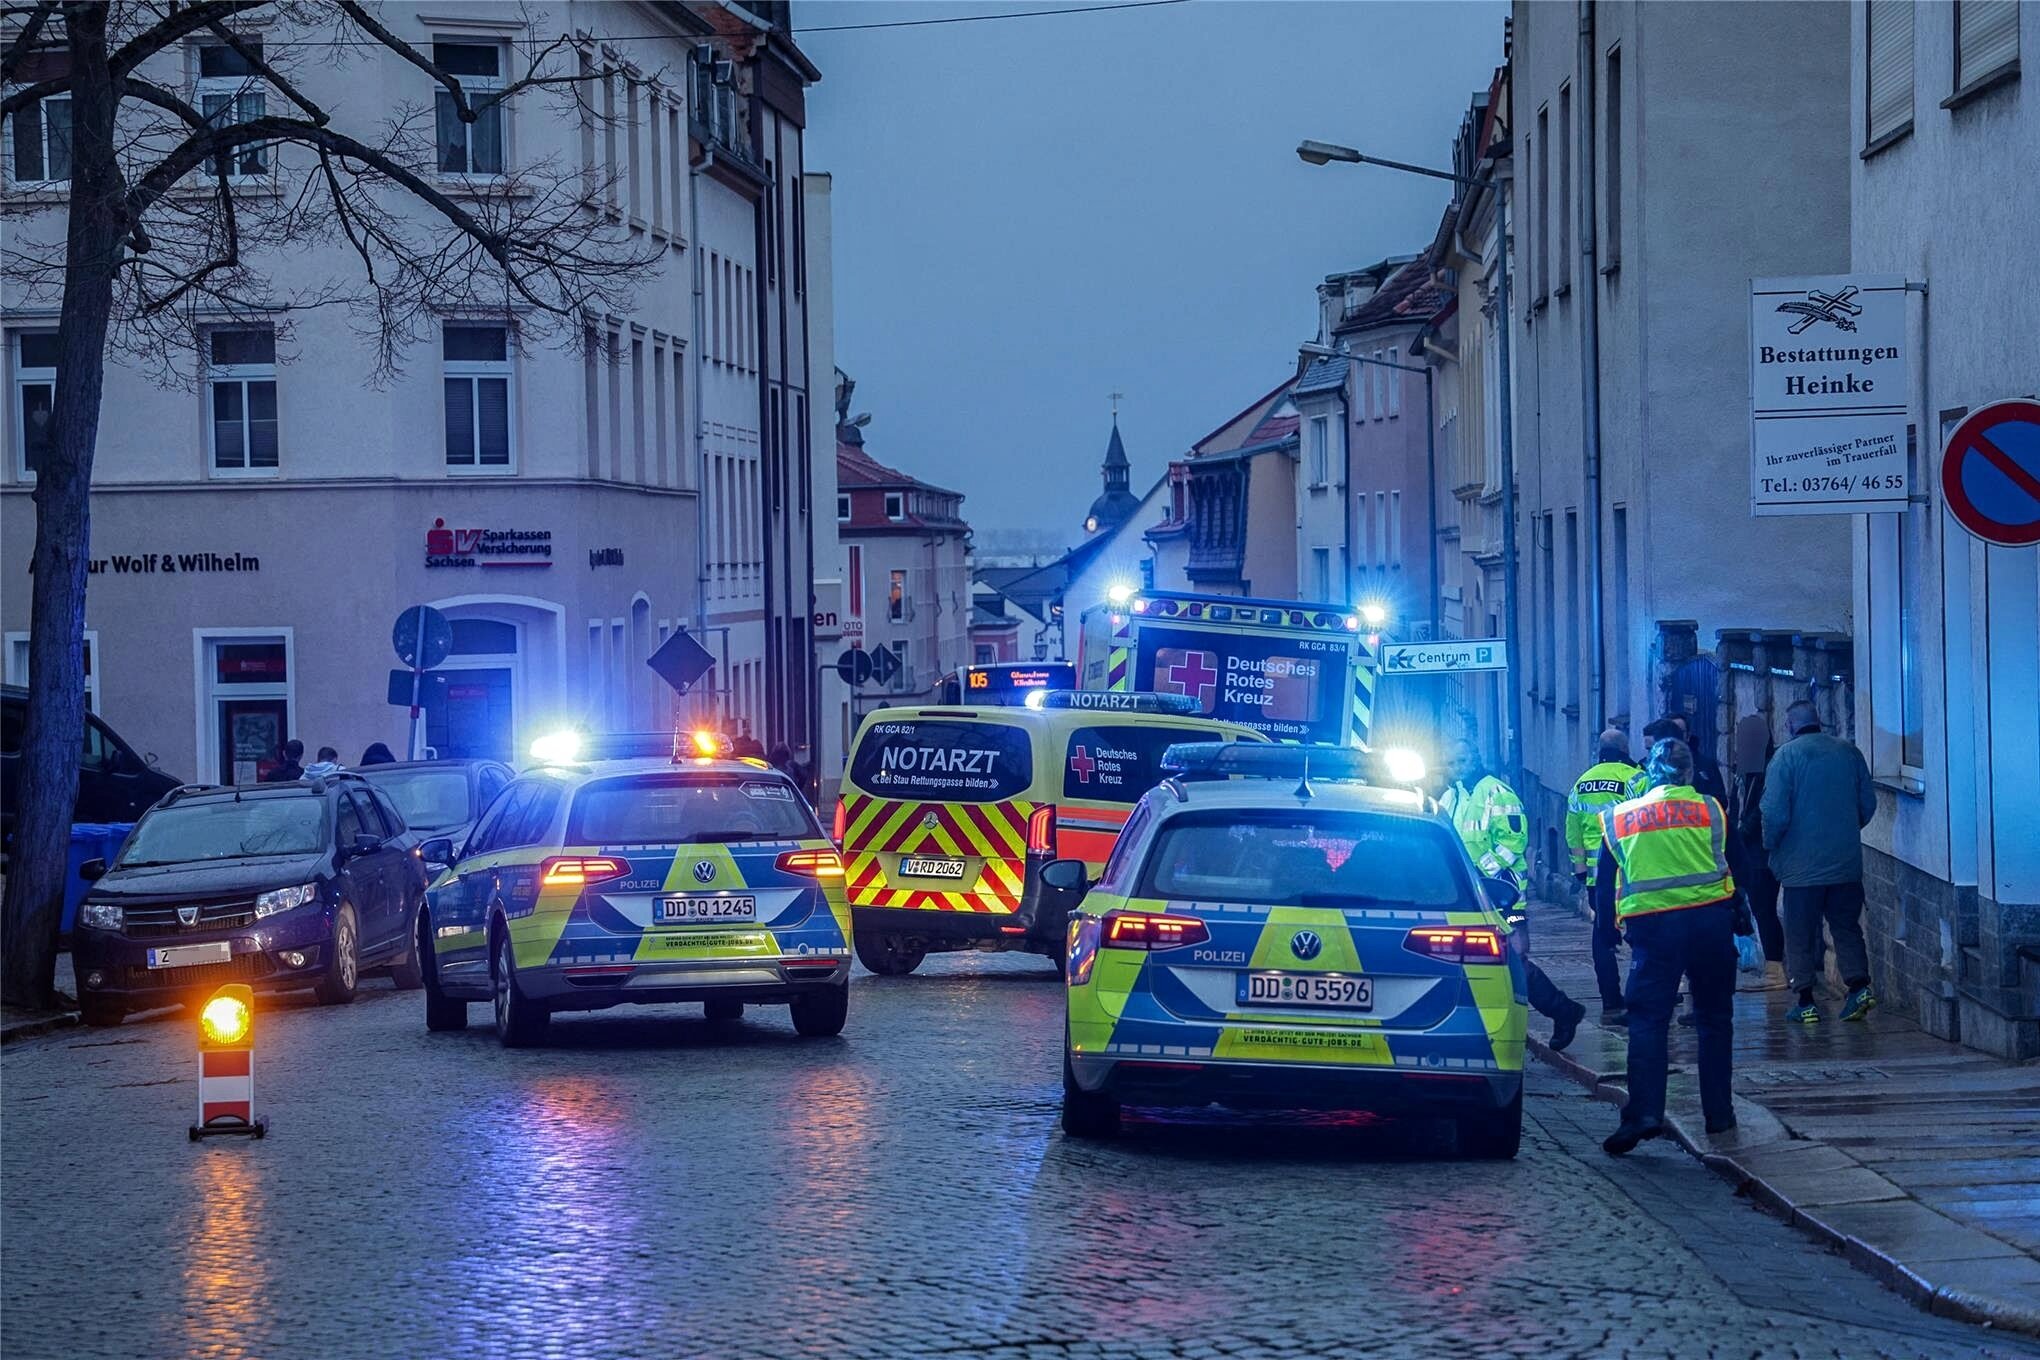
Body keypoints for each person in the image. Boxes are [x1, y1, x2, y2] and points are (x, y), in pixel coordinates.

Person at [1600, 738, 1738, 1155]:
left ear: (1648, 773)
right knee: (1714, 1019)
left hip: (1654, 929)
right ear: (1689, 771)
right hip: (1710, 924)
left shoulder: (1621, 818)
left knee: (1648, 1020)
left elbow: (1605, 883)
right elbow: (1739, 865)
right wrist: (1742, 919)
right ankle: (1719, 1115)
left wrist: (1607, 930)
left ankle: (1644, 1114)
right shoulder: (1711, 810)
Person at [1440, 741, 1587, 1052]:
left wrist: (1477, 872)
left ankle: (1563, 1011)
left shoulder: (1497, 793)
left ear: (1475, 758)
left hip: (1504, 897)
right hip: (1467, 898)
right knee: (1473, 963)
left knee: (1515, 960)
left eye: (1462, 760)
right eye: (1451, 763)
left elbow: (1513, 843)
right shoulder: (1450, 796)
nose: (1457, 768)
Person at [1760, 699, 1878, 1024]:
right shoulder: (1848, 752)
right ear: (1819, 720)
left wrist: (1771, 845)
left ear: (1789, 725)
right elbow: (1868, 804)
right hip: (1845, 863)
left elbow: (1774, 813)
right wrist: (1846, 831)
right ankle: (1859, 987)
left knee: (1799, 932)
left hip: (1800, 868)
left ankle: (1805, 1001)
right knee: (1846, 926)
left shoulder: (1785, 757)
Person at [1568, 729, 1642, 1025]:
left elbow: (1573, 831)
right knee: (1641, 933)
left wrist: (1580, 870)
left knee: (1602, 935)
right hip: (1631, 872)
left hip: (1597, 879)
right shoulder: (1636, 779)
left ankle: (1610, 1000)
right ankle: (1643, 993)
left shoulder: (1581, 783)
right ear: (1625, 748)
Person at [1729, 714, 1787, 991]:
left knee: (1764, 911)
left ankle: (1775, 972)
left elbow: (1761, 810)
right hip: (1748, 853)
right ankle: (1773, 969)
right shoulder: (1743, 772)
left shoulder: (1767, 771)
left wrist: (1739, 834)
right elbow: (1736, 807)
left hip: (1761, 854)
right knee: (1759, 910)